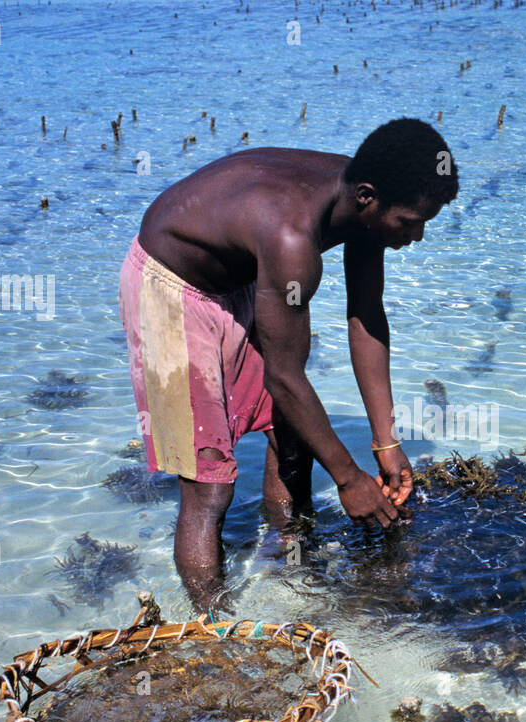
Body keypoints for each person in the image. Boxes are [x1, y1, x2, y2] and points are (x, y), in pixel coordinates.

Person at [118, 118, 459, 609]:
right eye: (410, 222)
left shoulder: (363, 200)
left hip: (242, 274)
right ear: (368, 198)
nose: (418, 235)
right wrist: (349, 480)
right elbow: (284, 377)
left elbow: (366, 316)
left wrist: (385, 442)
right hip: (172, 288)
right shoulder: (292, 237)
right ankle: (214, 623)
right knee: (208, 486)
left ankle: (288, 564)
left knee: (294, 436)